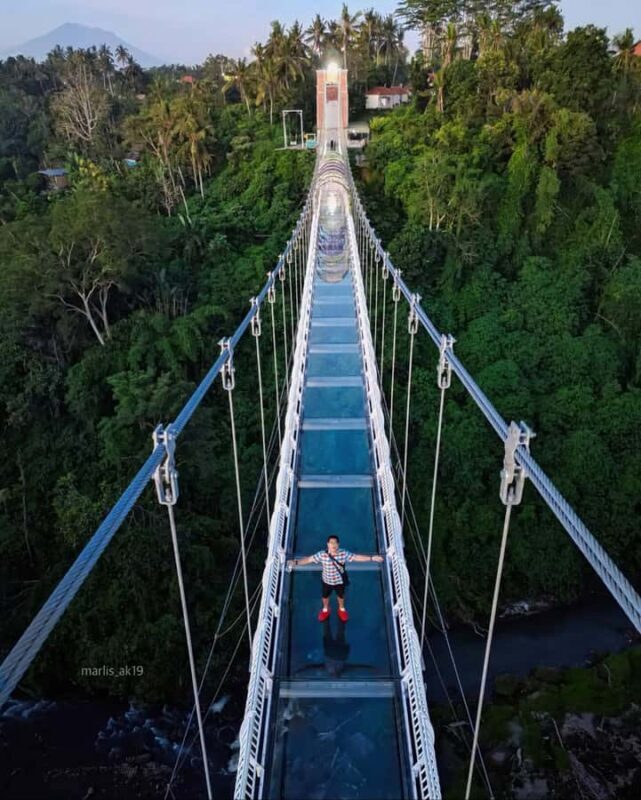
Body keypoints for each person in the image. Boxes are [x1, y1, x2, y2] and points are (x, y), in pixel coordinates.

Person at [288, 535, 384, 622]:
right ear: (327, 544)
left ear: (338, 544)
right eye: (331, 542)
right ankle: (325, 609)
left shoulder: (343, 553)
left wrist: (371, 558)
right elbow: (308, 559)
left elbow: (356, 557)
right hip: (326, 580)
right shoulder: (322, 554)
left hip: (339, 581)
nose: (333, 545)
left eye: (335, 543)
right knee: (325, 597)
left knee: (341, 596)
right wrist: (296, 562)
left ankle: (341, 609)